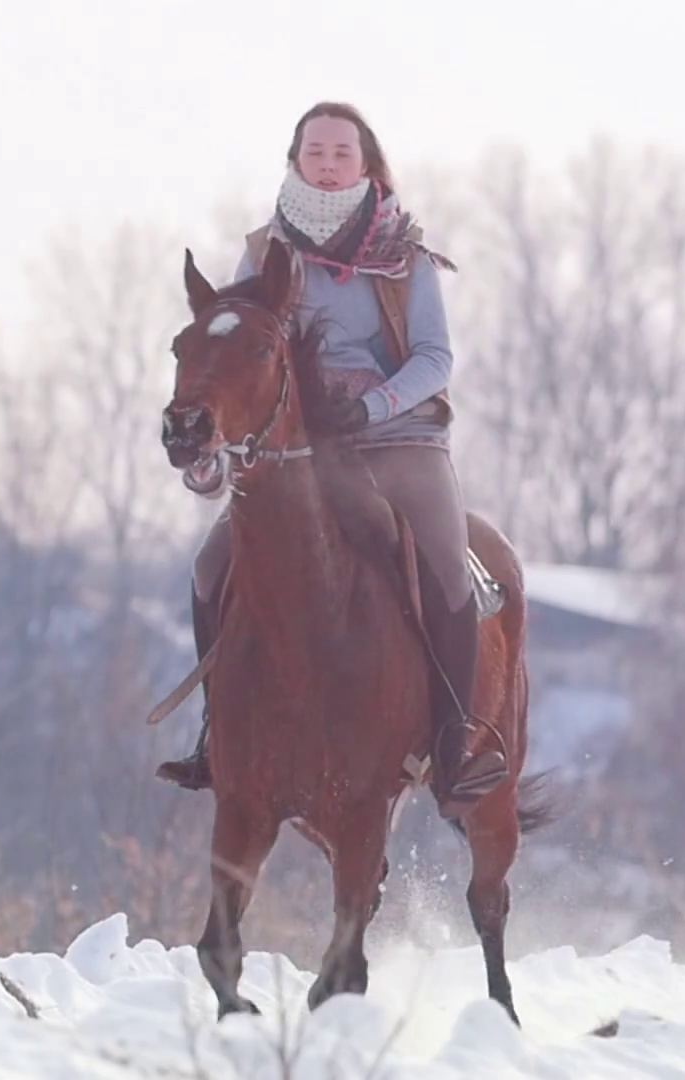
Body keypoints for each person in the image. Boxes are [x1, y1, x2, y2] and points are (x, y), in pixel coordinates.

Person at [155, 101, 508, 818]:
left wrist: (373, 405)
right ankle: (215, 734)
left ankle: (452, 740)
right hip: (301, 449)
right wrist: (220, 433)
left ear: (367, 164)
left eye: (341, 151)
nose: (327, 161)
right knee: (208, 567)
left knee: (447, 567)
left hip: (400, 439)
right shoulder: (261, 255)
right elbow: (236, 350)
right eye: (314, 150)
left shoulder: (405, 255)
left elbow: (436, 357)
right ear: (295, 161)